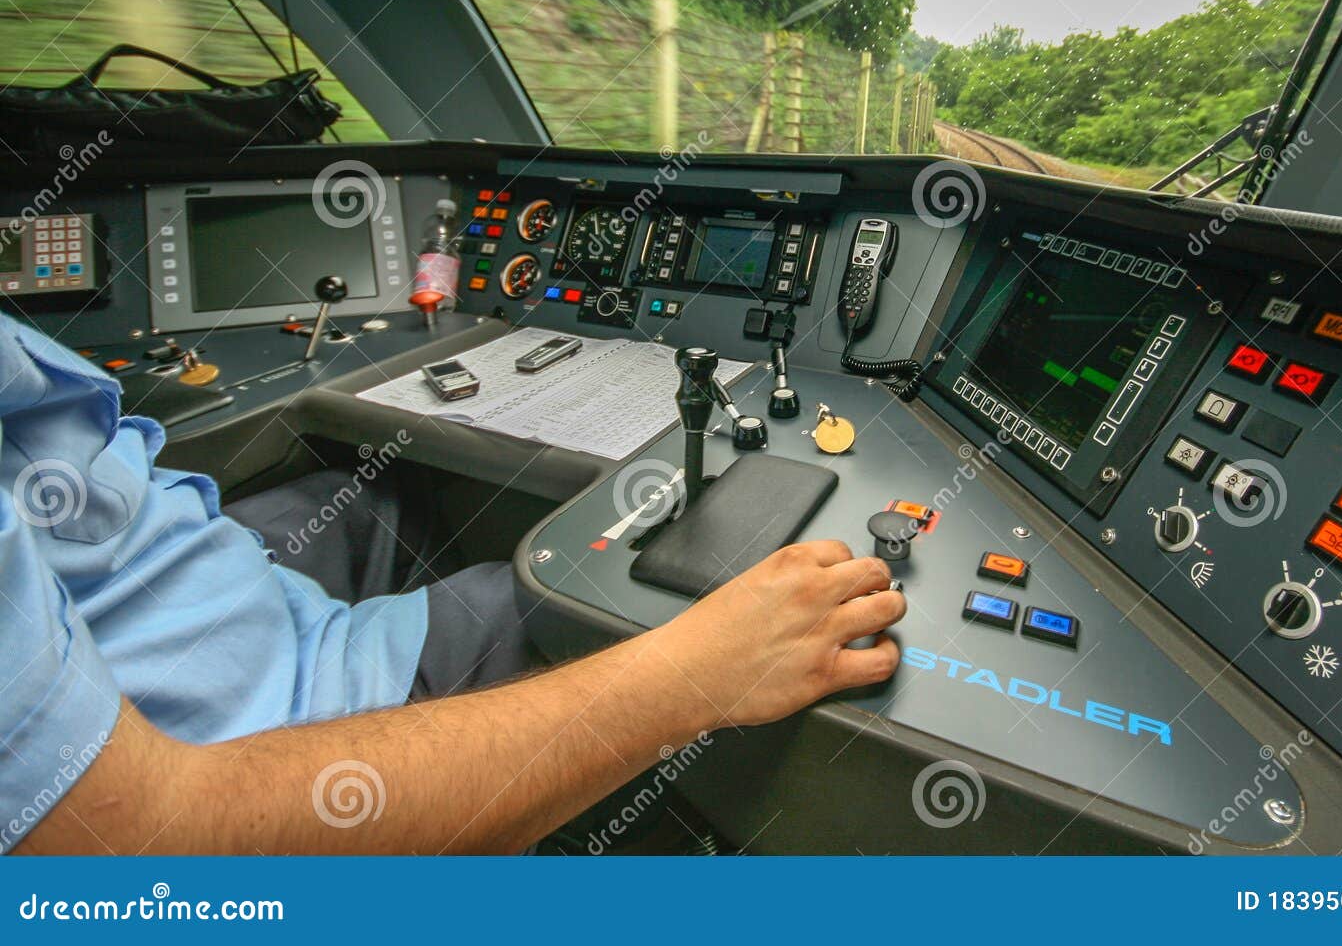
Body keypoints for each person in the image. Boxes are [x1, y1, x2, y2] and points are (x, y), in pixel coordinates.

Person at [0, 313, 905, 854]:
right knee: (592, 614)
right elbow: (142, 862)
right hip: (252, 730)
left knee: (391, 488)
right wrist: (700, 670)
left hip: (153, 573)